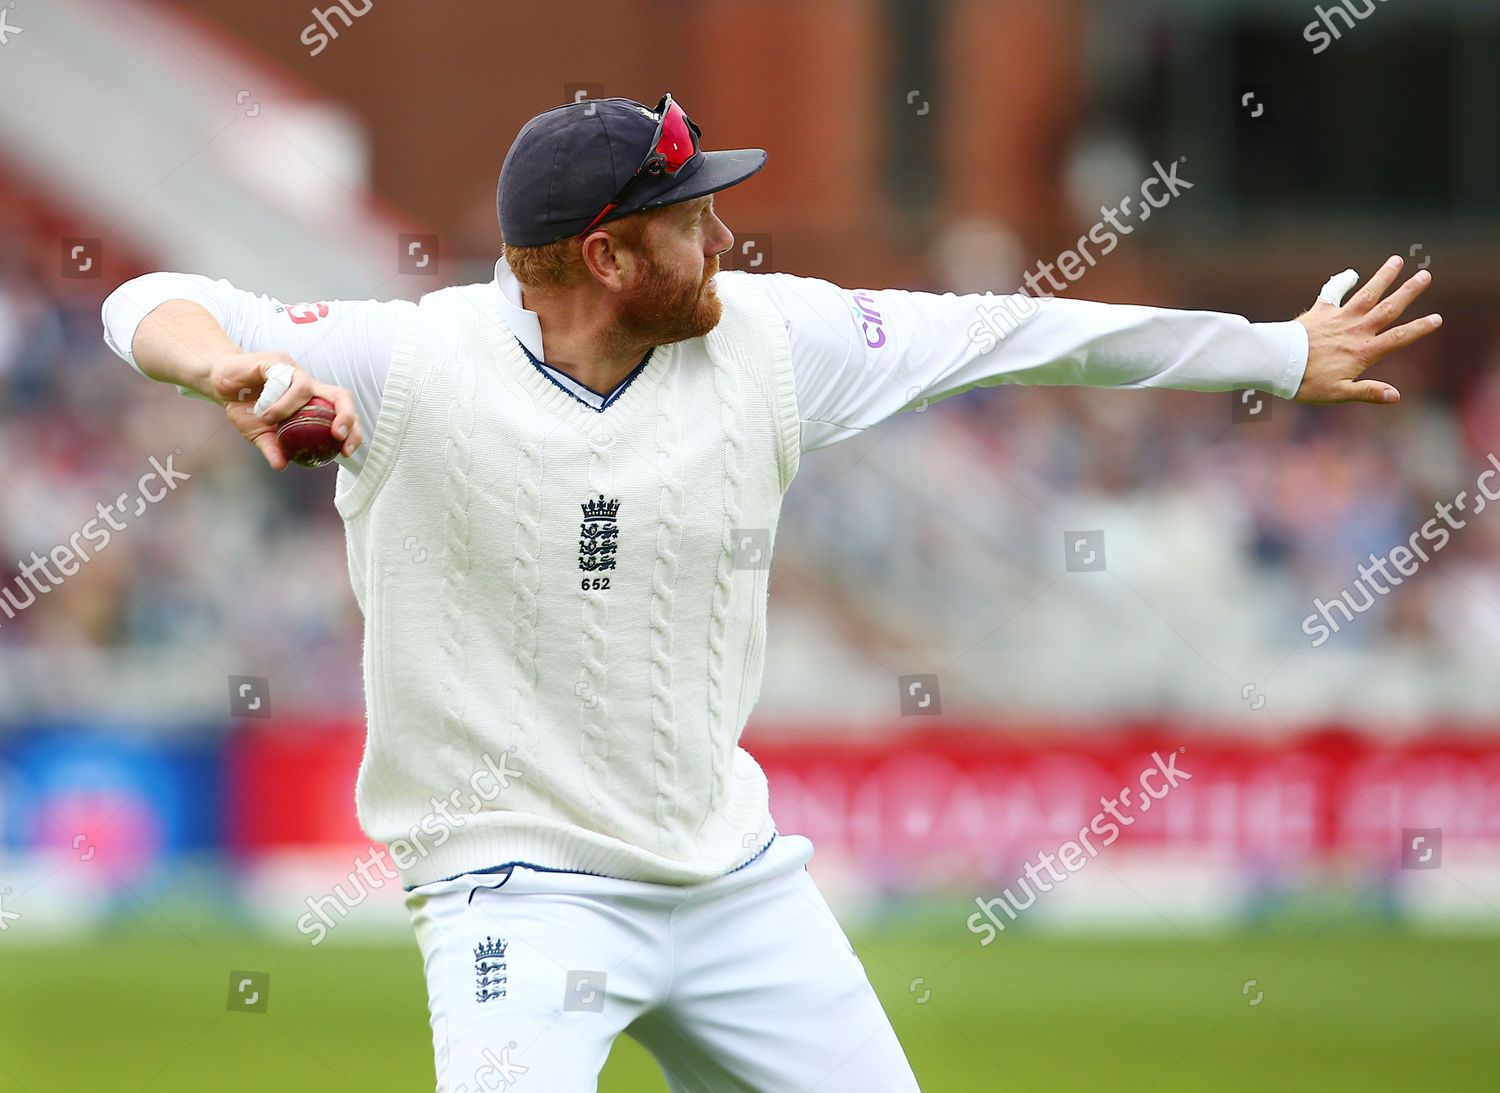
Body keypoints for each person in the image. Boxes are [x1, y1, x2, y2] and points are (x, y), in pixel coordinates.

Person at [100, 93, 1440, 1092]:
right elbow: (148, 299)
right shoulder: (411, 361)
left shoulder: (775, 340)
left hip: (734, 881)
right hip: (519, 884)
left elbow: (1015, 333)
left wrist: (1271, 347)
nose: (728, 236)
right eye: (693, 218)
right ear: (613, 255)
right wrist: (226, 368)